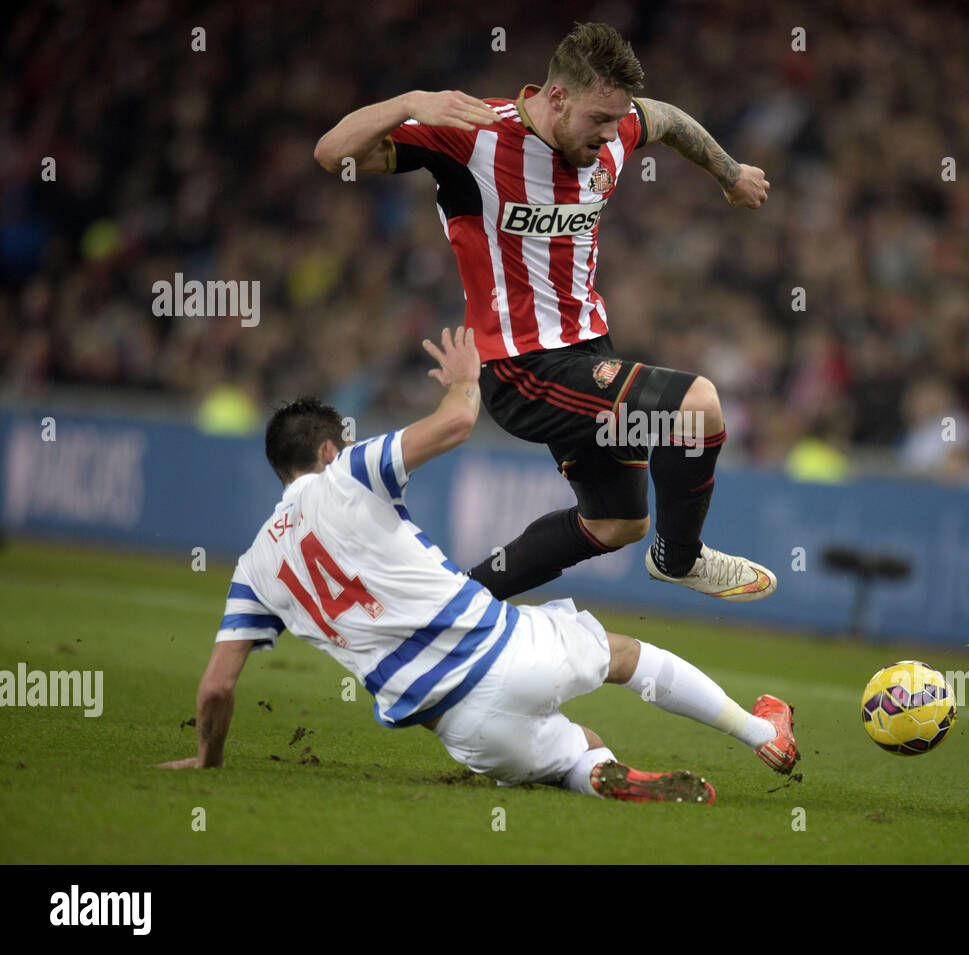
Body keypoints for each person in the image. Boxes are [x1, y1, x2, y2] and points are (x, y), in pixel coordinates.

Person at [157, 328, 799, 802]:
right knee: (621, 654)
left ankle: (602, 776)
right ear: (331, 447)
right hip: (506, 651)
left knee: (576, 754)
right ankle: (759, 732)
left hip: (464, 731)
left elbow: (215, 689)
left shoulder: (253, 567)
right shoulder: (347, 473)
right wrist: (466, 375)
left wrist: (208, 762)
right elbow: (459, 421)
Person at [313, 21, 776, 603]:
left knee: (616, 523)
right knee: (698, 405)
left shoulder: (615, 127)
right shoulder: (475, 135)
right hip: (522, 369)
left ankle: (455, 611)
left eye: (617, 120)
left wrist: (730, 175)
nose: (611, 134)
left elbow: (666, 119)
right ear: (556, 97)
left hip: (588, 353)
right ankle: (680, 559)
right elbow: (333, 154)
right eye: (598, 120)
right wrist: (409, 102)